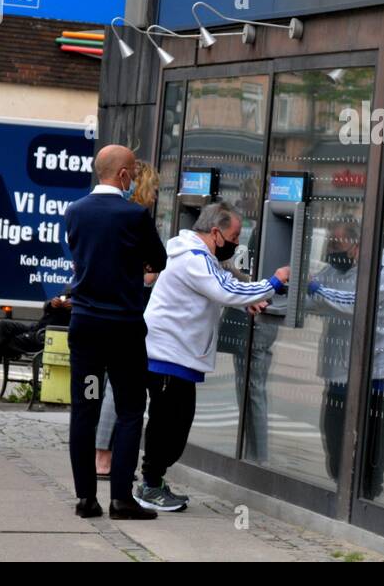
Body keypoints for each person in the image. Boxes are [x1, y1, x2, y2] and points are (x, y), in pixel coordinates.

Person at [132, 201, 289, 511]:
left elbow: (224, 282)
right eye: (234, 235)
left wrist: (247, 300)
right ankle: (150, 486)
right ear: (216, 233)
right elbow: (223, 290)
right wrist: (274, 282)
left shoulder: (199, 256)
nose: (236, 242)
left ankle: (152, 482)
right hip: (168, 355)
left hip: (175, 354)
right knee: (169, 424)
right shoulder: (193, 259)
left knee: (173, 422)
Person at [64, 145, 168, 520]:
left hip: (87, 327)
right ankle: (122, 498)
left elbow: (81, 255)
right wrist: (131, 263)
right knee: (128, 409)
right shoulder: (135, 215)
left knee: (85, 409)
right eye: (133, 175)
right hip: (123, 329)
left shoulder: (74, 212)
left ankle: (85, 499)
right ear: (124, 176)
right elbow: (159, 260)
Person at [308, 218, 384, 496]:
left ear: (357, 244)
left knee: (376, 433)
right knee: (334, 429)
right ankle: (343, 483)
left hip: (380, 367)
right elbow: (312, 299)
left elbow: (354, 303)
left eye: (336, 242)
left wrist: (317, 289)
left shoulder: (381, 273)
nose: (330, 248)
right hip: (342, 366)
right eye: (329, 242)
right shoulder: (335, 269)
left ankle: (370, 490)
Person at [94, 160, 162, 479]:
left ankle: (104, 456)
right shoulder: (134, 218)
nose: (157, 194)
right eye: (155, 188)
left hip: (105, 311)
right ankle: (105, 458)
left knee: (113, 386)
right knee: (117, 389)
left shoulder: (108, 213)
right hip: (127, 313)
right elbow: (149, 269)